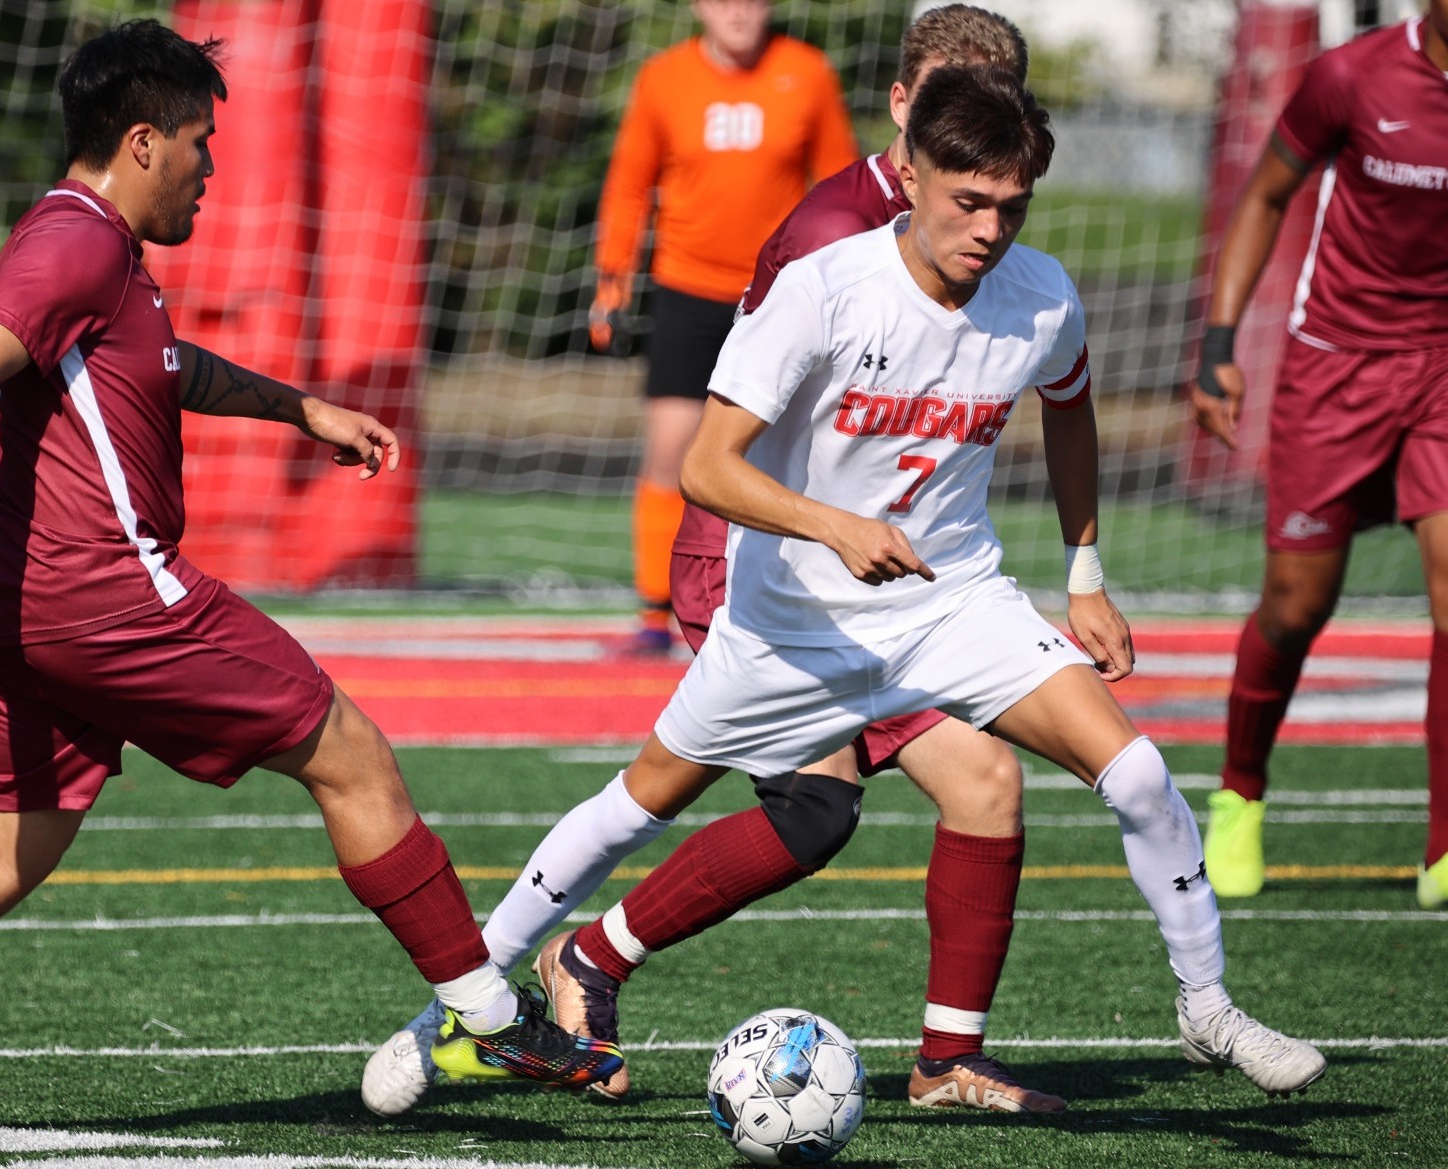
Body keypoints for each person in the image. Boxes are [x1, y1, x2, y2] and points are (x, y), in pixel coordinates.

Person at [377, 62, 1332, 1115]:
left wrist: (1084, 570)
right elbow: (706, 466)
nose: (988, 228)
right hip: (791, 622)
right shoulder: (826, 285)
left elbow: (1069, 405)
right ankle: (452, 1013)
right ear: (911, 175)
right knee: (639, 804)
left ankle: (1203, 1006)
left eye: (1010, 207)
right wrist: (833, 526)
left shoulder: (1042, 295)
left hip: (952, 607)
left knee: (1139, 774)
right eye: (967, 201)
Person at [361, 6, 1055, 1119]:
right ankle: (493, 986)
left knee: (979, 782)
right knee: (708, 792)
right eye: (948, 118)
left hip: (871, 583)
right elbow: (737, 452)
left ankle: (939, 1061)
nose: (973, 153)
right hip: (758, 557)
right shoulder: (837, 232)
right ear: (904, 115)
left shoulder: (978, 257)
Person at [0, 19, 620, 1095]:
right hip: (113, 594)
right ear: (140, 144)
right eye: (198, 143)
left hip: (24, 611)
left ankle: (484, 1012)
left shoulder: (97, 248)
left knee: (3, 857)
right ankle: (487, 1013)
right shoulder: (70, 240)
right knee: (349, 749)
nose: (210, 168)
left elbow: (170, 367)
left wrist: (303, 409)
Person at [1191, 0, 1448, 910]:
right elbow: (1265, 195)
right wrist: (1218, 347)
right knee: (1297, 603)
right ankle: (1238, 794)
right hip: (1334, 368)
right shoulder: (1349, 75)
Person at [586, 0, 857, 654]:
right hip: (686, 293)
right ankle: (655, 614)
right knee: (671, 452)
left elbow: (842, 185)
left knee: (792, 455)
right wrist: (611, 277)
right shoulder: (663, 78)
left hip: (778, 295)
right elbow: (629, 184)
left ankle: (794, 599)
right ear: (700, 6)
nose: (739, 12)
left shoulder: (808, 73)